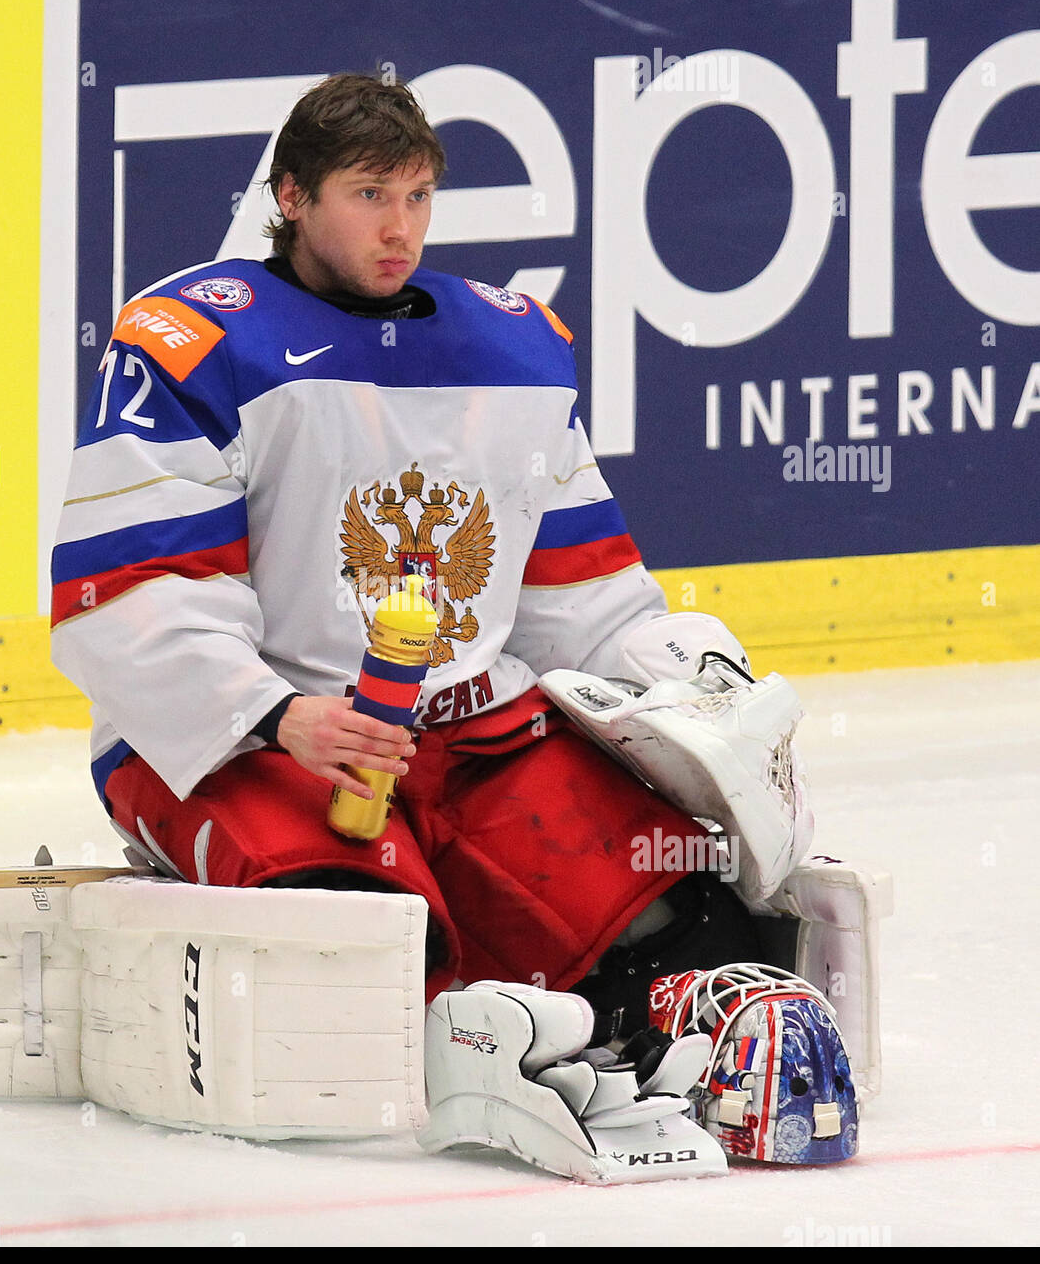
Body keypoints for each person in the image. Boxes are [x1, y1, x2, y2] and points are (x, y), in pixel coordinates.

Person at [49, 72, 774, 1046]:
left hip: (477, 739)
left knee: (678, 924)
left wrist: (700, 686)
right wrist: (277, 717)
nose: (401, 228)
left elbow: (581, 596)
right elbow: (130, 590)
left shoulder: (513, 349)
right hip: (258, 742)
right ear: (292, 198)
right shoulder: (191, 342)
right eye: (368, 195)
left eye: (417, 196)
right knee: (350, 962)